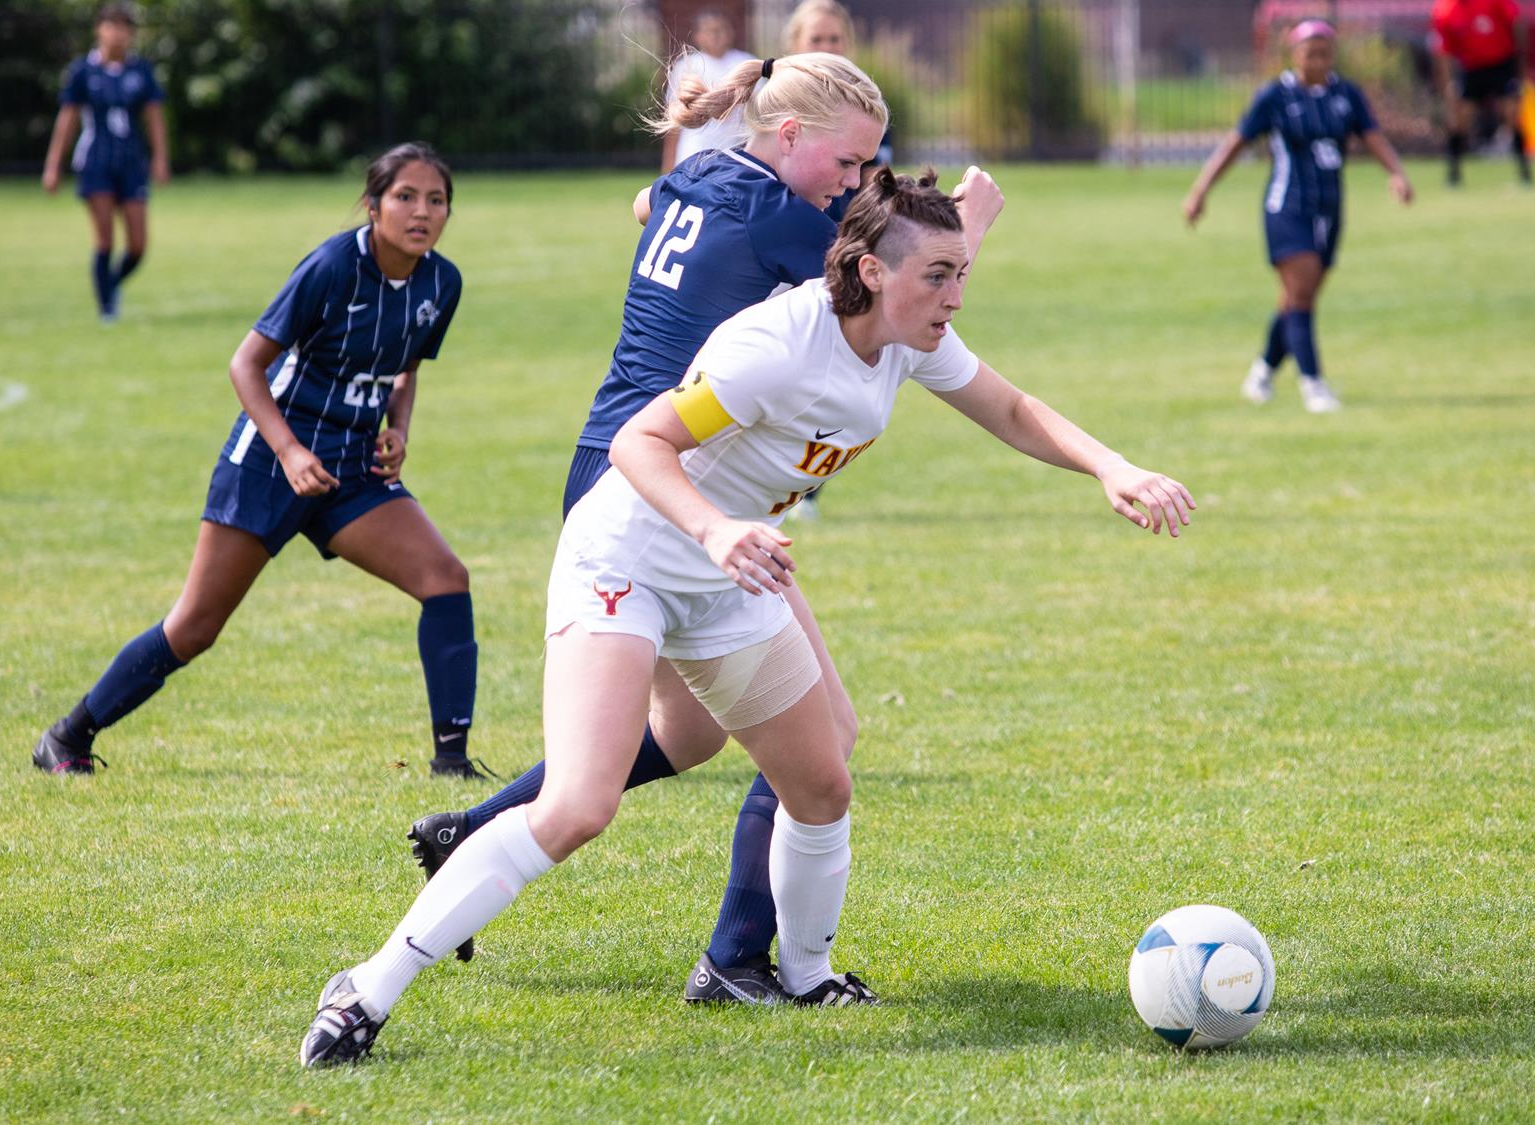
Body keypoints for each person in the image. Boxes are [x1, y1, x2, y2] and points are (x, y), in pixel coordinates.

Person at [299, 168, 1193, 1066]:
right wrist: (718, 528)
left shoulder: (908, 338)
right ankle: (367, 987)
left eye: (962, 273)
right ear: (873, 273)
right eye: (940, 275)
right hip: (630, 557)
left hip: (725, 579)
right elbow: (639, 441)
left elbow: (1010, 406)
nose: (957, 296)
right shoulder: (776, 345)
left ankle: (805, 974)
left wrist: (1112, 467)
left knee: (821, 783)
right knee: (578, 804)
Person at [405, 54, 1002, 982]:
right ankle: (739, 957)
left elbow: (647, 210)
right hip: (658, 473)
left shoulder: (700, 174)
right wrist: (971, 225)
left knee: (687, 735)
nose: (851, 188)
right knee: (823, 743)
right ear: (790, 136)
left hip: (623, 449)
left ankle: (469, 830)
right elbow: (896, 282)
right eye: (845, 168)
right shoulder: (777, 215)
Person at [31, 143, 494, 780]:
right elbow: (245, 364)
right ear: (372, 205)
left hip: (352, 469)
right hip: (270, 461)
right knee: (194, 627)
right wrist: (290, 450)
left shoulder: (442, 282)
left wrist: (399, 429)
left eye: (436, 200)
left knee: (446, 580)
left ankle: (452, 763)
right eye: (405, 197)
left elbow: (405, 368)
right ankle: (68, 735)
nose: (421, 212)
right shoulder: (333, 266)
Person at [1182, 20, 1413, 414]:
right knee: (1302, 295)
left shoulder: (1346, 94)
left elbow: (1372, 136)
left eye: (1324, 52)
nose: (1317, 60)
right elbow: (1235, 144)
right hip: (1286, 207)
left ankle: (1262, 371)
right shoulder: (1274, 96)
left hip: (1329, 208)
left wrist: (1396, 174)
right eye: (1310, 52)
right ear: (1295, 55)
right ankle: (1313, 384)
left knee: (1295, 299)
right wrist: (1201, 189)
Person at [780, 0, 892, 521]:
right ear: (793, 45)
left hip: (842, 247)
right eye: (815, 40)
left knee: (835, 369)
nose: (826, 49)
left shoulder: (866, 107)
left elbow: (878, 182)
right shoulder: (778, 107)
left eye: (834, 40)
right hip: (785, 252)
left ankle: (807, 484)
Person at [41, 4, 170, 322]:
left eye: (125, 27)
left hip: (130, 161)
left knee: (138, 244)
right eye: (112, 25)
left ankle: (109, 283)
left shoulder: (140, 71)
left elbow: (154, 118)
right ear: (99, 30)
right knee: (105, 239)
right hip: (96, 161)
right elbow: (68, 119)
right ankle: (107, 308)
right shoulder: (83, 72)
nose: (119, 33)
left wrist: (160, 157)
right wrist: (53, 164)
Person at [1429, 0, 1532, 187]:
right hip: (1471, 67)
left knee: (1512, 115)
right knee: (1460, 119)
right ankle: (1453, 174)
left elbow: (1517, 25)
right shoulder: (1445, 10)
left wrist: (1521, 69)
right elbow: (1442, 52)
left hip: (1501, 64)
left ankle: (1525, 173)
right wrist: (1447, 87)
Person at [661, 9, 758, 172]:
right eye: (709, 30)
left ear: (730, 33)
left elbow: (758, 110)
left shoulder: (746, 62)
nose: (715, 35)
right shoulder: (687, 65)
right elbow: (675, 119)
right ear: (697, 36)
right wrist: (668, 164)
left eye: (720, 29)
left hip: (735, 151)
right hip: (694, 151)